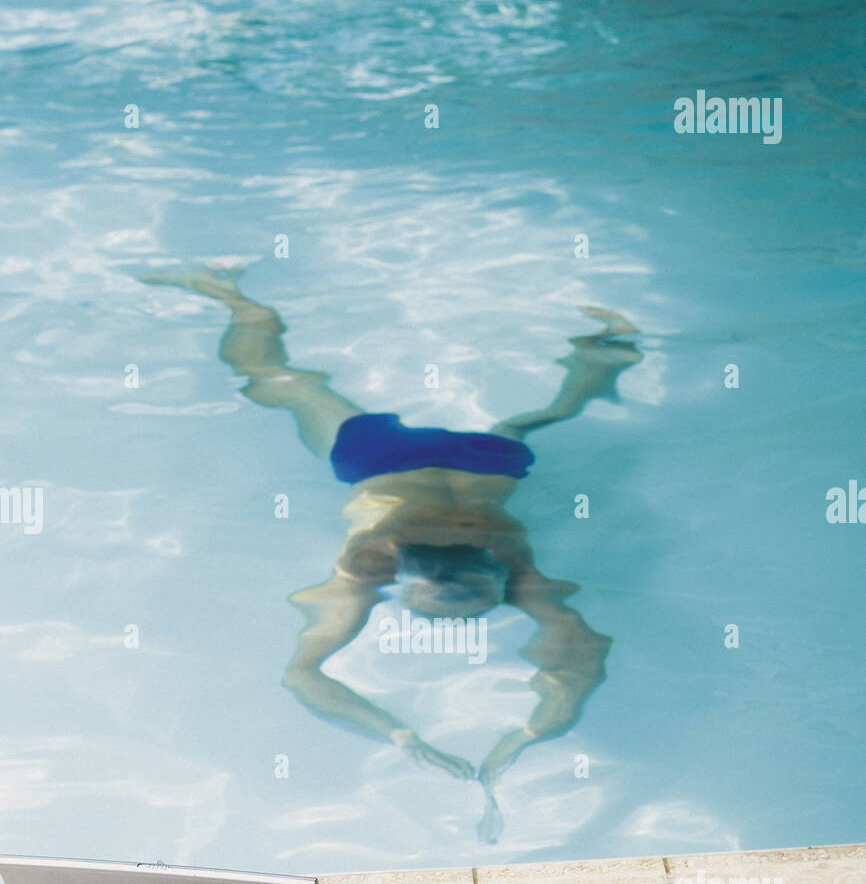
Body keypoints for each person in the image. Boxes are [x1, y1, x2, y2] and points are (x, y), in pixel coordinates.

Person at [141, 268, 641, 840]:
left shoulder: (508, 565)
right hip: (379, 460)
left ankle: (603, 351)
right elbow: (301, 674)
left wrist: (524, 735)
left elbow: (580, 663)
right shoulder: (370, 566)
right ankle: (230, 295)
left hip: (490, 460)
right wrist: (411, 737)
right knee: (280, 381)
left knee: (539, 418)